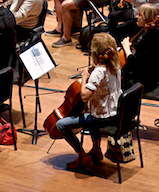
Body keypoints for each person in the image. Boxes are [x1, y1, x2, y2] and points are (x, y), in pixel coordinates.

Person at [53, 32, 123, 171]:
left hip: (102, 118)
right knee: (90, 111)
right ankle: (96, 149)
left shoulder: (99, 72)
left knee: (61, 124)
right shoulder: (116, 67)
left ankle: (82, 156)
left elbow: (84, 96)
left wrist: (85, 77)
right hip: (116, 113)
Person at [121, 3, 159, 97]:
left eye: (139, 15)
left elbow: (135, 65)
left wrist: (126, 48)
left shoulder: (151, 38)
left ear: (147, 18)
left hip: (143, 83)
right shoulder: (151, 31)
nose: (136, 17)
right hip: (146, 77)